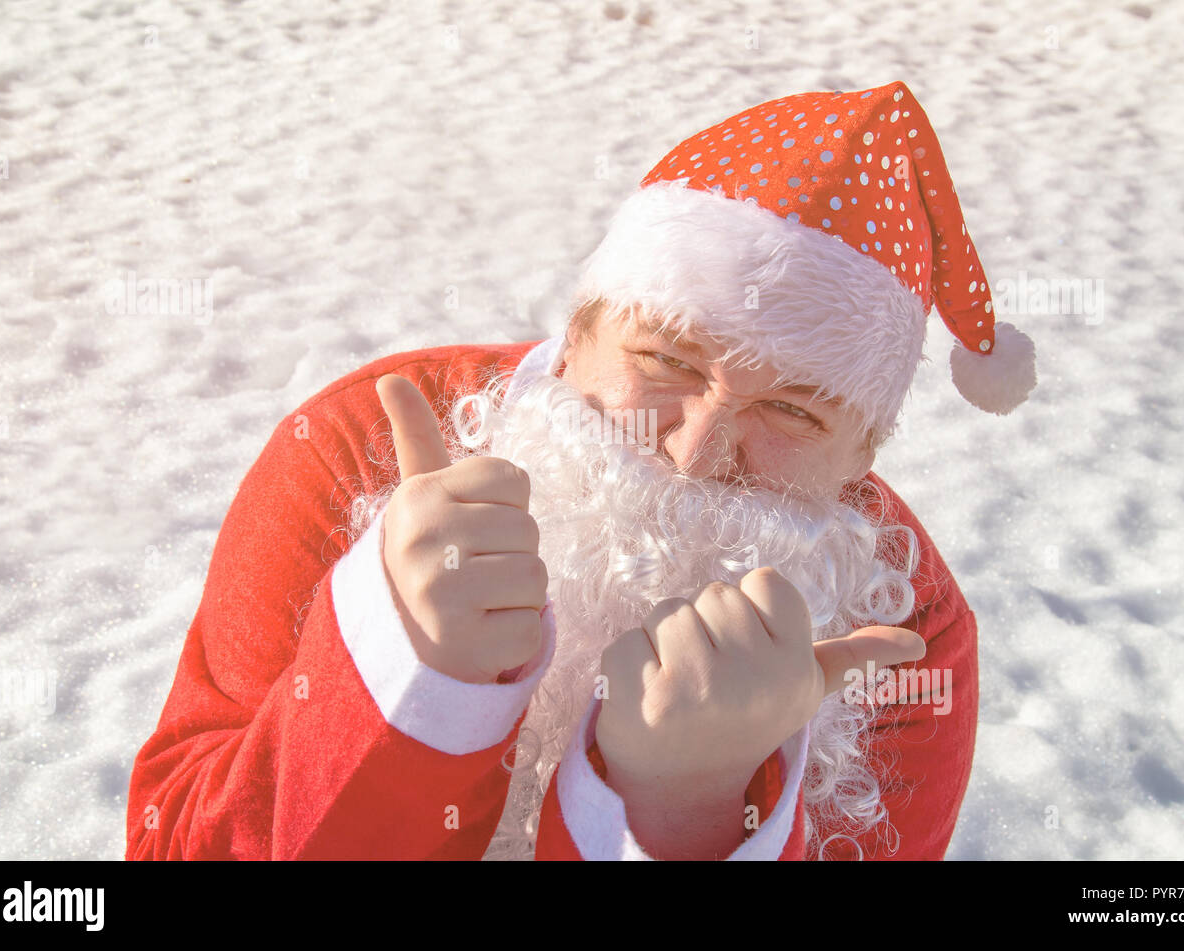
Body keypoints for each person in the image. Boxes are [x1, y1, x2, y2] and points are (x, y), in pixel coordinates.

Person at [125, 80, 1036, 861]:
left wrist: (689, 811)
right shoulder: (352, 445)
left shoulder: (907, 638)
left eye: (793, 411)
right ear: (575, 340)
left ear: (860, 462)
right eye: (668, 364)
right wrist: (398, 678)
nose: (696, 452)